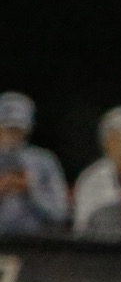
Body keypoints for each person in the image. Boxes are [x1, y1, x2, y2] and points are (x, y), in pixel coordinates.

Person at [0, 91, 69, 235]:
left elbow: (60, 213)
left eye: (18, 129)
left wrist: (31, 190)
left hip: (35, 245)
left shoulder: (44, 161)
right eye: (7, 128)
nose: (12, 134)